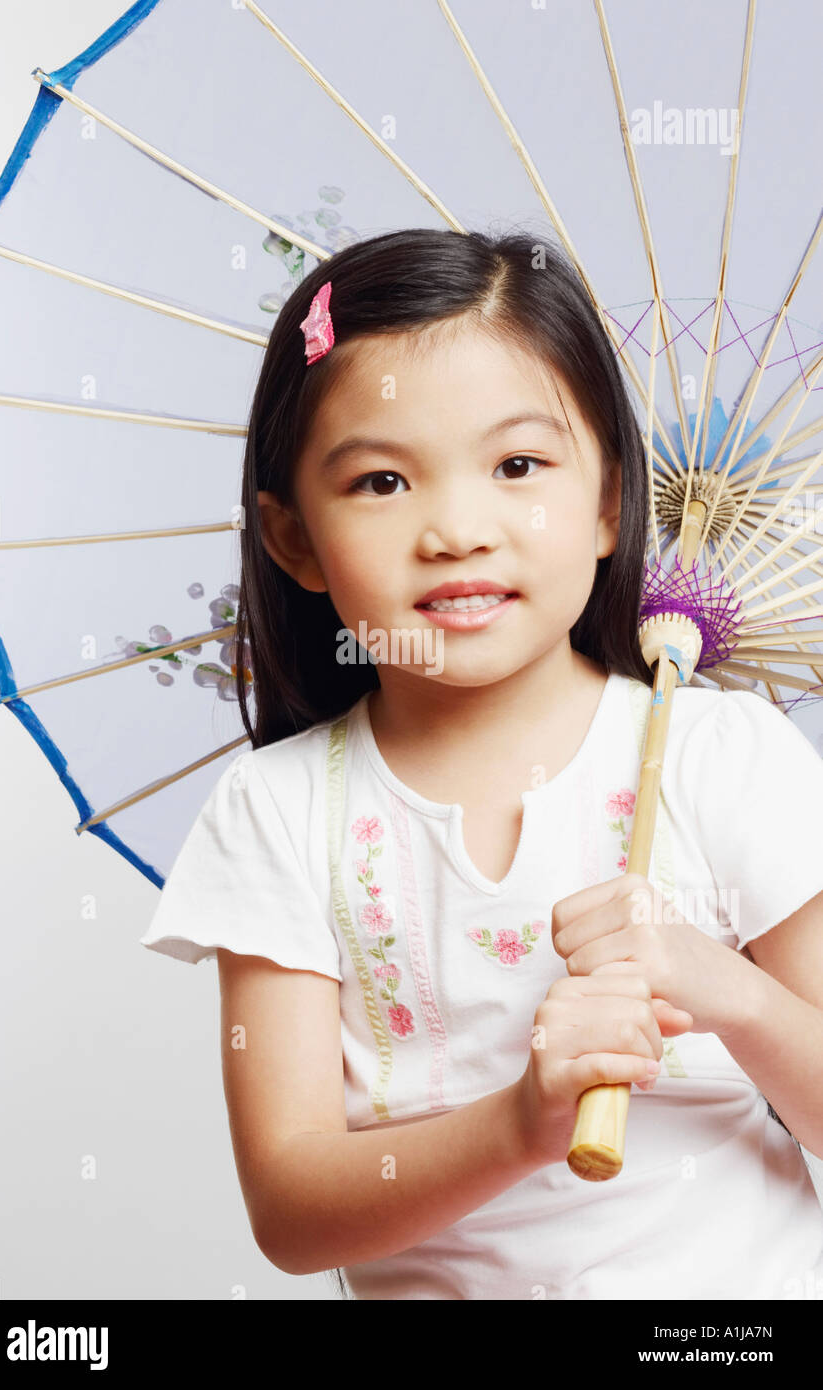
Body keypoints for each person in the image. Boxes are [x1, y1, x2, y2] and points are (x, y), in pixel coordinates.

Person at [139, 227, 823, 1300]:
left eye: (516, 465)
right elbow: (290, 1206)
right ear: (292, 539)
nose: (456, 528)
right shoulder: (276, 813)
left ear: (607, 501)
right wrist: (521, 1122)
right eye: (378, 481)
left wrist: (724, 989)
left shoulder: (717, 758)